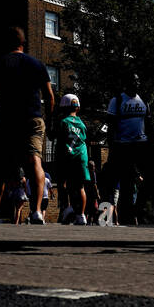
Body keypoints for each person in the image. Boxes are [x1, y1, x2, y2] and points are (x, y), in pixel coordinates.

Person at [0, 26, 55, 224]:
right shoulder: (37, 64)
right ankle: (36, 211)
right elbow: (50, 97)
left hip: (8, 120)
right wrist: (49, 120)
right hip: (33, 118)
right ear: (23, 43)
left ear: (6, 43)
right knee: (35, 161)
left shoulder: (0, 63)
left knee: (0, 167)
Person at [106, 77, 150, 226]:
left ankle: (137, 212)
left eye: (138, 82)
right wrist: (111, 146)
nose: (137, 84)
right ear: (127, 84)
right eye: (134, 82)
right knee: (124, 183)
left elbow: (147, 122)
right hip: (123, 145)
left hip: (141, 145)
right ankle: (123, 217)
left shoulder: (143, 100)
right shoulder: (117, 100)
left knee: (143, 181)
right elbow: (110, 125)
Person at [53, 94, 91, 225]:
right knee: (80, 187)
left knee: (62, 183)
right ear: (78, 108)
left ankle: (67, 208)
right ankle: (81, 215)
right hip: (81, 157)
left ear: (63, 107)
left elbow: (53, 136)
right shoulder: (82, 124)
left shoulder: (63, 122)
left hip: (66, 156)